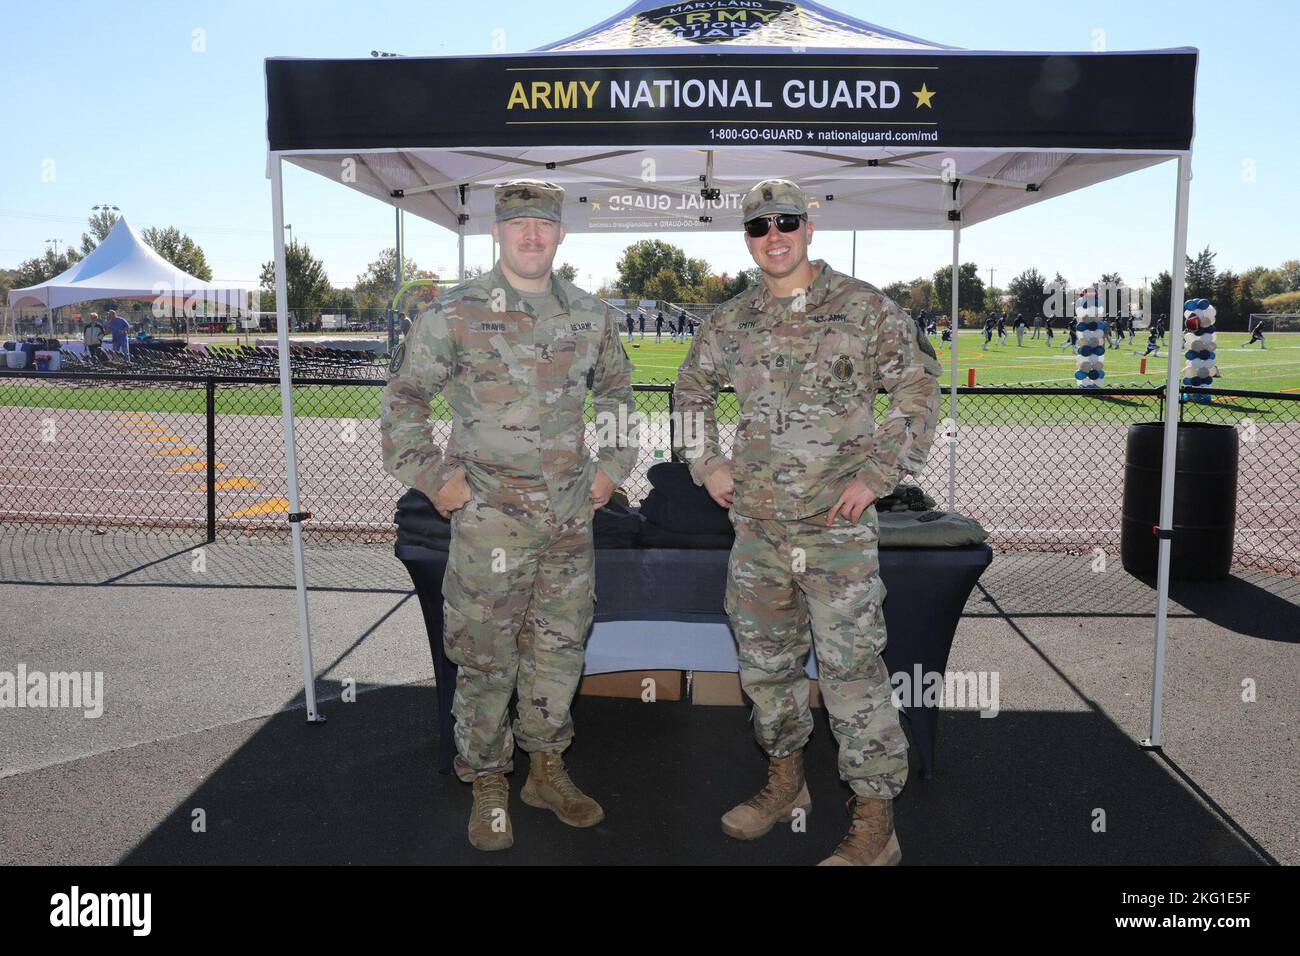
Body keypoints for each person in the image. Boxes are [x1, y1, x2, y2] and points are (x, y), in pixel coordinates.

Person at [674, 179, 941, 866]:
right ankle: (786, 786)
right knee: (767, 671)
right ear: (748, 239)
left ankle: (877, 823)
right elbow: (688, 391)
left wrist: (878, 477)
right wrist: (706, 464)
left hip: (836, 532)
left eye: (785, 221)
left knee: (853, 676)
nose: (774, 236)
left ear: (809, 227)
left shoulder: (862, 307)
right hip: (759, 531)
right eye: (759, 227)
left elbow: (916, 394)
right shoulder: (731, 321)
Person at [381, 179, 637, 852]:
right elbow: (405, 398)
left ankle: (546, 770)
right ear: (497, 233)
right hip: (489, 518)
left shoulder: (588, 314)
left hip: (567, 519)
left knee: (558, 650)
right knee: (487, 655)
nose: (531, 235)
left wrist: (611, 468)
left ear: (561, 235)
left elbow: (616, 391)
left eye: (543, 225)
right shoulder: (455, 313)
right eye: (518, 223)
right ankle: (489, 780)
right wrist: (435, 479)